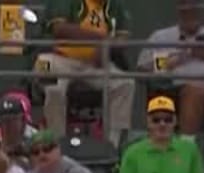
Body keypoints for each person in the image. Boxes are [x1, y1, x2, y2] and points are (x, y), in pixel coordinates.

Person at [140, 0, 204, 136]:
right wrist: (180, 57)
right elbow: (143, 68)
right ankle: (186, 147)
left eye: (195, 12)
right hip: (176, 88)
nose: (191, 17)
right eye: (187, 12)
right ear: (179, 12)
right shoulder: (160, 37)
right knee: (197, 89)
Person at [38, 0, 134, 141]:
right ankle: (56, 142)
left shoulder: (114, 4)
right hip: (60, 59)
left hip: (93, 65)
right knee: (53, 85)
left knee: (125, 83)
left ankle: (112, 145)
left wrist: (108, 46)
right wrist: (102, 39)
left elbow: (123, 38)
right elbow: (60, 29)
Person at [116, 96, 204, 173]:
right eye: (156, 120)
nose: (162, 124)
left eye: (168, 120)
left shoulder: (190, 149)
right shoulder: (132, 152)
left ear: (175, 121)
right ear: (148, 122)